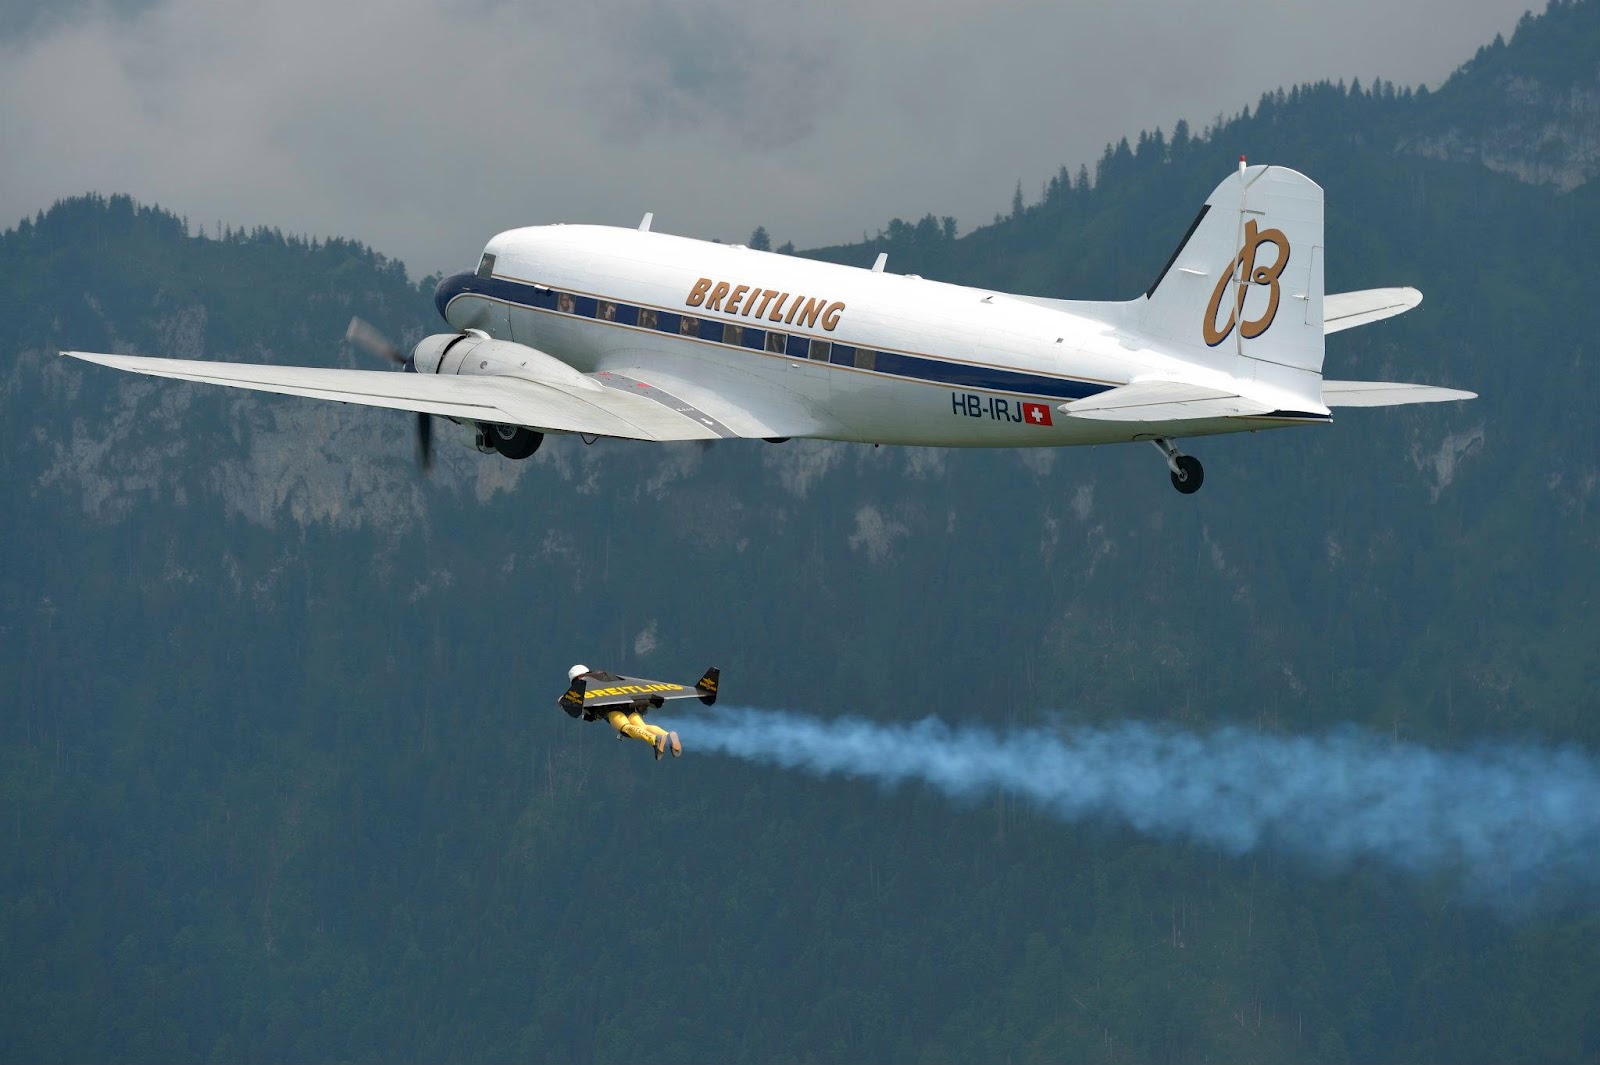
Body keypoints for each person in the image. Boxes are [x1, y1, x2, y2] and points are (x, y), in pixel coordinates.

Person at [565, 664, 681, 759]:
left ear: (576, 678)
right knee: (643, 726)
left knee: (625, 728)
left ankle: (655, 739)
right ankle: (668, 735)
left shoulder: (583, 685)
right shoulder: (605, 676)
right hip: (628, 707)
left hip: (612, 711)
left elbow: (581, 707)